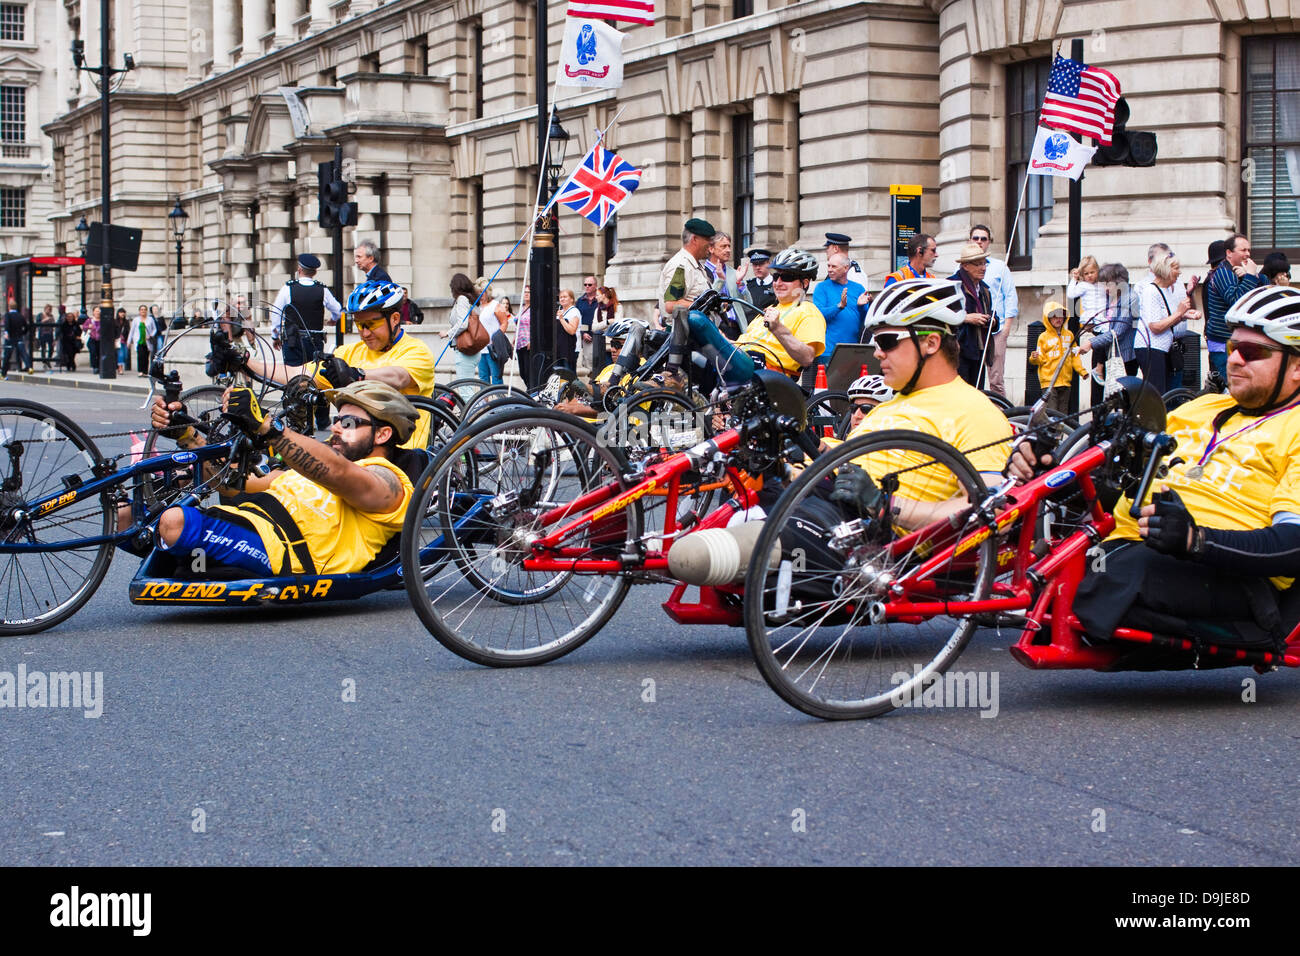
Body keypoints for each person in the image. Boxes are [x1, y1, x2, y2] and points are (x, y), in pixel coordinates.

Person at [1009, 283, 1300, 654]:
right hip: (1132, 543)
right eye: (1231, 347)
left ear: (1296, 367)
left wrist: (1197, 540)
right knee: (1034, 551)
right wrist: (1052, 474)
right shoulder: (1202, 407)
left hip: (1226, 574)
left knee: (1116, 574)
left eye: (1252, 351)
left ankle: (1070, 597)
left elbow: (1293, 544)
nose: (1235, 359)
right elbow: (1122, 479)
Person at [148, 380, 417, 576]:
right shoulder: (302, 472)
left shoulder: (390, 482)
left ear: (382, 434)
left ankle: (180, 548)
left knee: (174, 522)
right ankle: (178, 550)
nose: (336, 426)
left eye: (348, 423)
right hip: (244, 526)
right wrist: (188, 436)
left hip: (281, 548)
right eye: (336, 419)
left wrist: (266, 425)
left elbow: (339, 472)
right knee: (127, 516)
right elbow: (230, 485)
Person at [227, 280, 436, 448]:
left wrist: (358, 375)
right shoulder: (348, 352)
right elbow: (297, 372)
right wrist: (245, 361)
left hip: (398, 455)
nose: (364, 333)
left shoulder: (417, 351)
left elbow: (398, 377)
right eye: (360, 325)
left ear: (395, 318)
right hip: (347, 450)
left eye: (371, 324)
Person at [662, 247, 825, 390]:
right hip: (738, 360)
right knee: (664, 340)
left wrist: (778, 328)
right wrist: (721, 337)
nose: (778, 282)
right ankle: (661, 379)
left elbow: (806, 358)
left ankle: (670, 374)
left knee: (695, 318)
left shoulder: (808, 311)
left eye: (787, 277)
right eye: (776, 277)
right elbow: (743, 342)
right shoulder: (769, 310)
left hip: (762, 371)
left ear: (804, 283)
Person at [968, 225, 1019, 398]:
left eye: (983, 238)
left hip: (996, 330)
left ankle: (1003, 417)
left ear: (989, 242)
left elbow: (1010, 296)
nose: (979, 242)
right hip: (973, 332)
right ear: (970, 240)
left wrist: (1006, 330)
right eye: (976, 238)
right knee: (973, 379)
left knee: (996, 379)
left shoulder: (1000, 267)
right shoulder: (961, 270)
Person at [1136, 253, 1197, 394]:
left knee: (1165, 393)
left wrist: (1184, 315)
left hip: (1161, 348)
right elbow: (1155, 326)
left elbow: (1166, 319)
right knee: (1157, 394)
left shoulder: (1165, 291)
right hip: (1151, 348)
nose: (1180, 272)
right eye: (1176, 268)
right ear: (1165, 270)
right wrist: (1178, 313)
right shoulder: (1151, 291)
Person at [1206, 234, 1264, 382]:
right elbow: (1236, 300)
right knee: (1235, 384)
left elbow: (1263, 289)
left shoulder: (1237, 271)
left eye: (1249, 250)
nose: (1248, 254)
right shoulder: (1223, 273)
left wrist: (1251, 275)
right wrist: (1250, 276)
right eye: (1243, 250)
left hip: (1236, 339)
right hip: (1222, 342)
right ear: (1229, 253)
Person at [270, 253, 344, 368]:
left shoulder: (288, 288)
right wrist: (333, 320)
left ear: (299, 269)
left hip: (293, 341)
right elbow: (338, 310)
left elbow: (276, 313)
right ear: (315, 272)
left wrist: (275, 336)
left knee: (293, 376)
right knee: (314, 375)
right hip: (315, 341)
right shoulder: (322, 289)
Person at [1080, 262, 1141, 394]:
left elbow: (1118, 331)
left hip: (1124, 356)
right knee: (1100, 394)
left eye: (1108, 284)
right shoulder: (1107, 297)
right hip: (1105, 351)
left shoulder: (1130, 298)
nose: (1105, 288)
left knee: (1123, 396)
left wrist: (1091, 343)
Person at [947, 241, 1000, 388]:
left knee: (977, 393)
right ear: (965, 266)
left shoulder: (984, 289)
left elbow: (993, 314)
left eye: (984, 264)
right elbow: (941, 316)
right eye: (978, 264)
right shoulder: (951, 286)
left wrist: (993, 321)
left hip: (979, 350)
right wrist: (966, 318)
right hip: (959, 352)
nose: (983, 268)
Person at [811, 252, 866, 373]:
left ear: (846, 268)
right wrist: (839, 306)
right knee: (830, 389)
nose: (830, 270)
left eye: (834, 266)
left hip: (852, 350)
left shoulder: (858, 288)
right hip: (829, 351)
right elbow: (818, 315)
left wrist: (862, 307)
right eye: (828, 266)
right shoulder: (822, 287)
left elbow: (866, 321)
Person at [1029, 301, 1088, 413]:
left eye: (1061, 315)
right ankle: (1051, 431)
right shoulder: (1043, 337)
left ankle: (1058, 431)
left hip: (1065, 381)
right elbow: (1040, 359)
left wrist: (1082, 371)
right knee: (1052, 412)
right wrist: (1034, 358)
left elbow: (1074, 355)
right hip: (1049, 382)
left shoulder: (1069, 335)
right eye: (1054, 316)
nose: (1058, 319)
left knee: (1062, 413)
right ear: (1048, 319)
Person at [658, 217, 714, 315]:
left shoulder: (695, 265)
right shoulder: (680, 266)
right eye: (707, 240)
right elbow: (671, 304)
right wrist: (703, 304)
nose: (710, 245)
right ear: (695, 239)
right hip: (684, 329)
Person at [703, 231, 753, 339]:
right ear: (711, 249)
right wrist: (720, 280)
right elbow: (706, 303)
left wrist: (740, 284)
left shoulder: (734, 273)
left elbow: (748, 307)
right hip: (715, 330)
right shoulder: (701, 272)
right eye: (723, 246)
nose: (728, 250)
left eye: (729, 246)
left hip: (737, 330)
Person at [440, 273, 483, 387]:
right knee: (467, 386)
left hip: (465, 350)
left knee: (465, 389)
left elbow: (463, 323)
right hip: (471, 349)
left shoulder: (462, 299)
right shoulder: (471, 299)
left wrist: (447, 333)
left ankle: (472, 406)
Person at [477, 294, 511, 385]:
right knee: (483, 378)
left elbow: (504, 322)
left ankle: (500, 398)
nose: (480, 294)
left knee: (496, 377)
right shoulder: (477, 306)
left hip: (493, 348)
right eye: (478, 292)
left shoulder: (495, 305)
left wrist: (497, 337)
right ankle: (484, 399)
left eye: (482, 292)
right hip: (481, 349)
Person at [576, 275, 603, 379]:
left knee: (599, 363)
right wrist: (583, 334)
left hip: (600, 336)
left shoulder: (600, 300)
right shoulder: (580, 301)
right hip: (587, 337)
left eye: (589, 284)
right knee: (588, 364)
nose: (587, 286)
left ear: (595, 286)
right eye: (585, 284)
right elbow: (578, 319)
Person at [2, 299, 31, 376]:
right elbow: (26, 326)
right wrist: (22, 333)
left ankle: (3, 373)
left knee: (7, 355)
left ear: (9, 307)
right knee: (23, 353)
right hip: (19, 337)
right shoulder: (20, 316)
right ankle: (29, 367)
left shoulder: (8, 315)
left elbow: (7, 325)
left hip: (10, 338)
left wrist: (6, 333)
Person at [556, 288, 582, 370]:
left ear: (571, 299)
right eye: (561, 297)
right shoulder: (560, 311)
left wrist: (561, 319)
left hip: (570, 349)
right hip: (560, 349)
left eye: (565, 297)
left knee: (569, 375)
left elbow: (572, 331)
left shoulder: (574, 312)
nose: (562, 299)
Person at [514, 287, 534, 390]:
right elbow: (518, 324)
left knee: (528, 370)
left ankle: (531, 391)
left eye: (528, 292)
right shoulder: (522, 308)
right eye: (524, 292)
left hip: (528, 343)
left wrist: (532, 339)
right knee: (522, 372)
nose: (526, 294)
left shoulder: (534, 308)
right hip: (519, 343)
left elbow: (536, 325)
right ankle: (530, 389)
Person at [37, 305, 56, 370]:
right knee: (43, 348)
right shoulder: (40, 315)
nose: (49, 311)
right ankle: (44, 360)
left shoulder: (51, 316)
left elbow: (53, 325)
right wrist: (45, 319)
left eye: (50, 310)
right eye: (48, 309)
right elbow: (37, 323)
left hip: (50, 334)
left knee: (51, 347)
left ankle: (48, 359)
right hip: (42, 334)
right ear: (45, 309)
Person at [115, 307, 130, 372]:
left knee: (125, 355)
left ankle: (119, 366)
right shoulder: (115, 321)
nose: (122, 314)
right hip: (118, 340)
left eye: (123, 312)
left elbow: (128, 331)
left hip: (125, 340)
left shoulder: (126, 322)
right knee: (120, 354)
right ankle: (120, 368)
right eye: (121, 312)